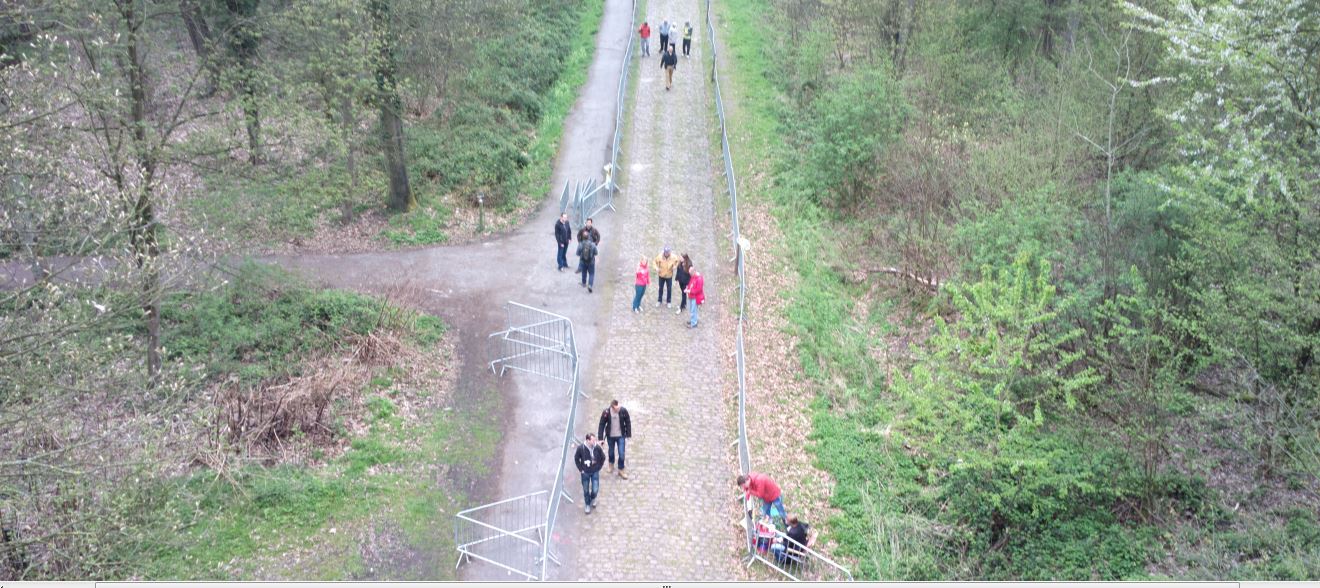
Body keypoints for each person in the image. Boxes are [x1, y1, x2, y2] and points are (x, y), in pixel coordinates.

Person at [596, 399, 632, 479]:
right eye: (616, 408)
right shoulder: (606, 412)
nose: (618, 409)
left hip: (621, 436)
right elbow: (601, 424)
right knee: (611, 451)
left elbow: (628, 421)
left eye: (619, 407)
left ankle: (621, 469)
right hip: (610, 436)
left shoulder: (623, 411)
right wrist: (600, 438)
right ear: (612, 407)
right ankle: (611, 464)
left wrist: (628, 433)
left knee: (621, 453)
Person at [574, 433, 606, 513]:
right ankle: (587, 504)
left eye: (595, 440)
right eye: (593, 440)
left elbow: (603, 457)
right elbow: (576, 458)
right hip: (585, 472)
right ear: (588, 440)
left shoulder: (597, 448)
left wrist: (599, 467)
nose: (595, 442)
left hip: (595, 471)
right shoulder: (581, 448)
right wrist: (581, 469)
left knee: (595, 489)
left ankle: (593, 498)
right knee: (586, 490)